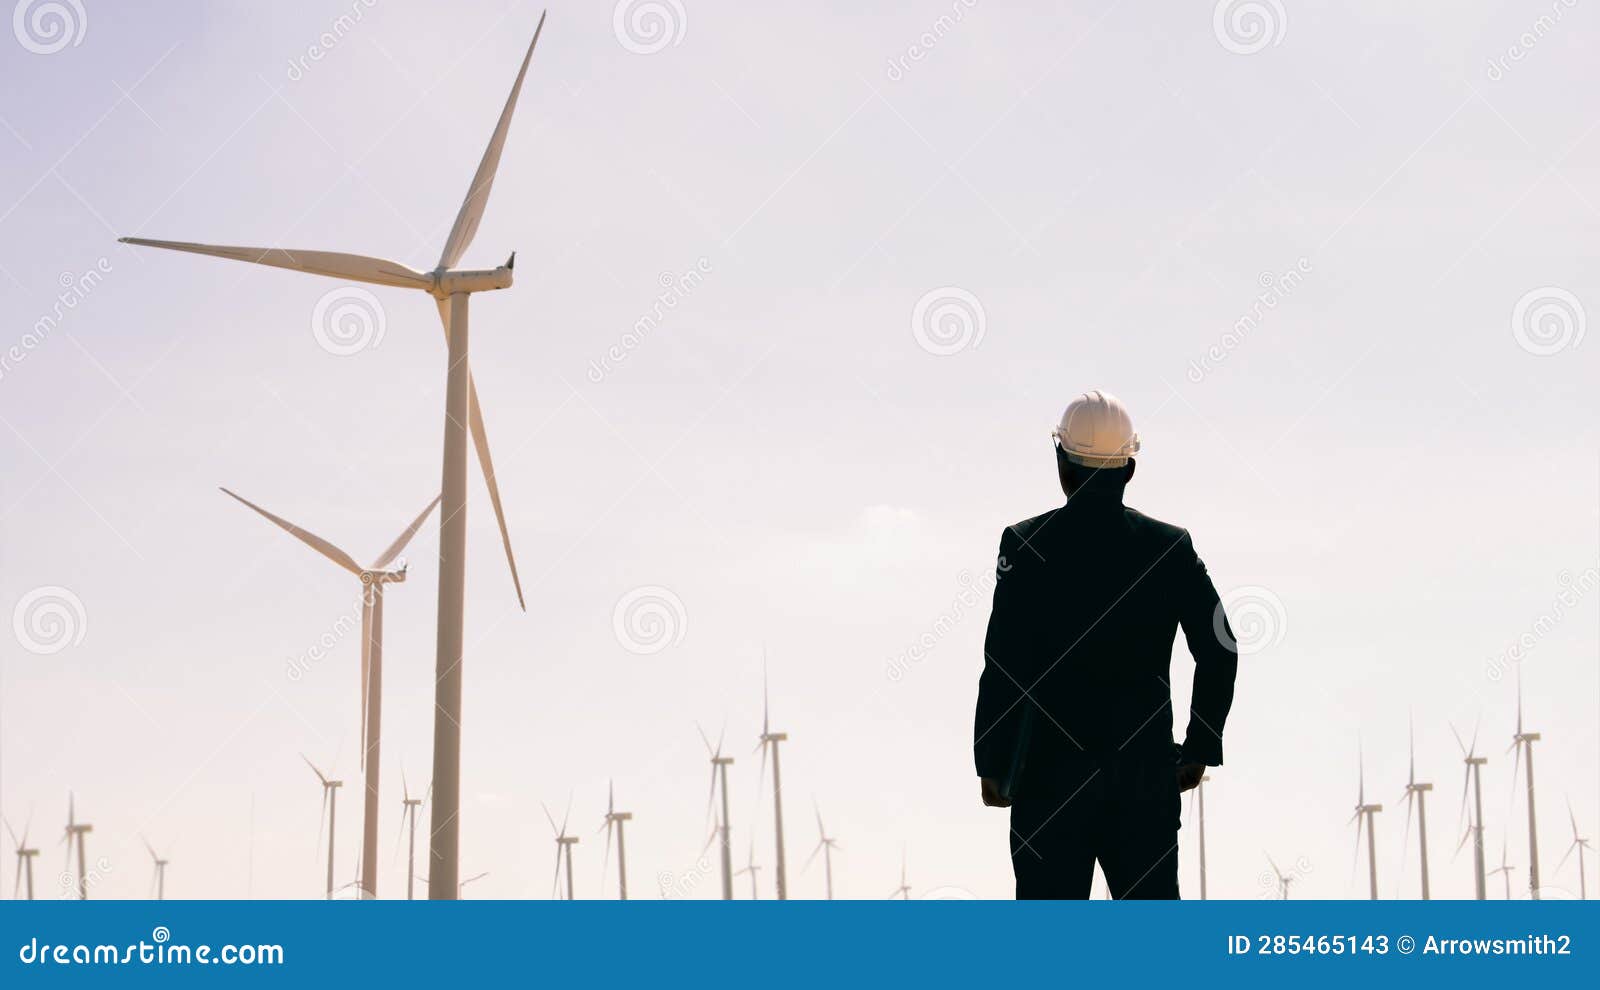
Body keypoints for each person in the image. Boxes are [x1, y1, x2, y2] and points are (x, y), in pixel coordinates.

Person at [973, 390, 1238, 899]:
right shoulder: (1170, 547)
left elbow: (1003, 660)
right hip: (1142, 784)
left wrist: (992, 760)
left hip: (1048, 783)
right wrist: (1200, 746)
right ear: (1130, 468)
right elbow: (1220, 645)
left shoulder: (1024, 544)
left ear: (1060, 463)